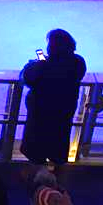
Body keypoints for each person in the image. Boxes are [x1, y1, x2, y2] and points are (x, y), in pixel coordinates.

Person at [19, 29, 86, 168]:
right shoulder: (78, 62)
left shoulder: (43, 65)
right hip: (63, 113)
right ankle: (56, 177)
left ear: (52, 47)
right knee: (58, 145)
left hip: (40, 114)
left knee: (36, 151)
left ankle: (39, 179)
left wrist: (35, 63)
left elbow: (27, 79)